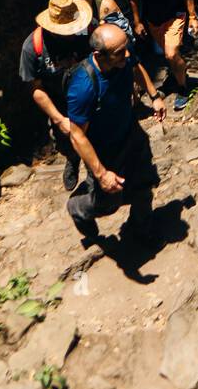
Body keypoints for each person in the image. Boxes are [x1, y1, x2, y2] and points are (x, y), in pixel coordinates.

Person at [66, 22, 165, 243]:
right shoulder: (83, 86)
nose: (127, 54)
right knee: (109, 202)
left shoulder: (123, 56)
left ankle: (141, 230)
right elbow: (77, 136)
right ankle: (77, 208)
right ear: (98, 55)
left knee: (144, 183)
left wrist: (154, 96)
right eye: (120, 53)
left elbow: (136, 67)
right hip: (105, 152)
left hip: (131, 134)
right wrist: (101, 174)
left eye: (127, 48)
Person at [19, 0, 93, 193]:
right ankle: (72, 158)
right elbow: (36, 88)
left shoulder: (85, 32)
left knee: (95, 135)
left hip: (87, 93)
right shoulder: (32, 47)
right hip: (58, 100)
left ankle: (95, 173)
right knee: (66, 139)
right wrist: (58, 119)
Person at [127, 0, 198, 110]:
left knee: (170, 54)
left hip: (175, 16)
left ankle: (183, 87)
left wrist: (193, 17)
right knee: (168, 54)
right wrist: (137, 22)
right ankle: (178, 73)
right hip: (153, 20)